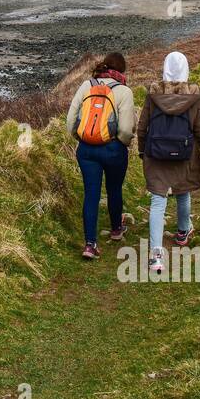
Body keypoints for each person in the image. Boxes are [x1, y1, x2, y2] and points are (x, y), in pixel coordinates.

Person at [135, 51, 200, 274]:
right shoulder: (195, 97)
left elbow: (142, 128)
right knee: (183, 192)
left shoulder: (153, 96)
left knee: (157, 202)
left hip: (156, 155)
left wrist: (143, 151)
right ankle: (182, 232)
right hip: (185, 155)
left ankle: (156, 257)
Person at [65, 52, 136, 260]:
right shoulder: (124, 91)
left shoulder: (86, 85)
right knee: (114, 189)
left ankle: (90, 244)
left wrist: (81, 137)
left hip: (86, 150)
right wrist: (123, 143)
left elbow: (70, 120)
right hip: (113, 149)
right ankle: (116, 230)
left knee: (91, 194)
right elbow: (125, 129)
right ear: (121, 71)